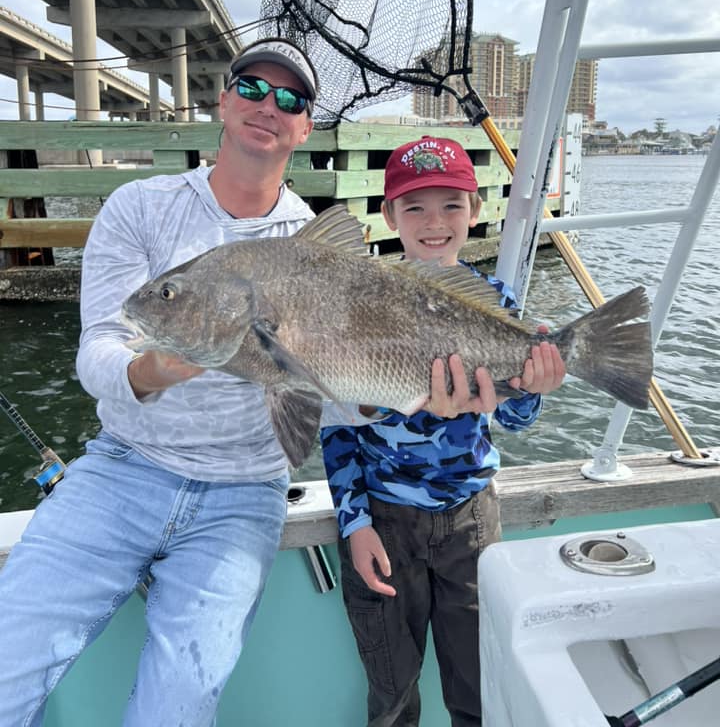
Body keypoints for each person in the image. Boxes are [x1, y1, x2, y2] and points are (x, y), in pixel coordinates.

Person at [0, 46, 500, 727]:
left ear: (305, 127)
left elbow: (333, 399)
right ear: (223, 100)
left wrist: (410, 399)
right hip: (122, 471)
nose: (270, 106)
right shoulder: (139, 208)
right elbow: (100, 347)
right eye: (254, 87)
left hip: (245, 494)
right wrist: (150, 370)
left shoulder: (310, 241)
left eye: (291, 100)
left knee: (179, 705)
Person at [321, 135, 566, 727]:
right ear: (388, 217)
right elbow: (337, 425)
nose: (435, 223)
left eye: (451, 206)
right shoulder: (358, 300)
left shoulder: (496, 301)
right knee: (392, 690)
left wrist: (531, 388)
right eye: (415, 208)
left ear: (476, 211)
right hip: (384, 519)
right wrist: (354, 524)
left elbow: (509, 418)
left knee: (479, 681)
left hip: (471, 519)